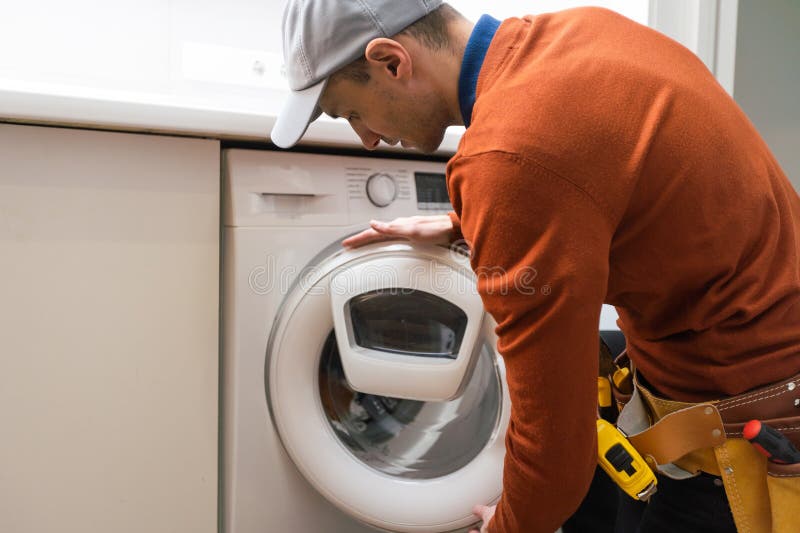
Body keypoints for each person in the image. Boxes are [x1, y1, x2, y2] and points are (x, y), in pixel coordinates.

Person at [272, 1, 800, 532]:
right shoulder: (581, 31)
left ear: (391, 61)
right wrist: (472, 223)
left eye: (351, 113)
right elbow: (595, 172)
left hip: (750, 436)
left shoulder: (509, 159)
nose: (365, 137)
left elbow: (554, 454)